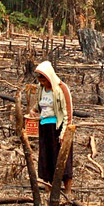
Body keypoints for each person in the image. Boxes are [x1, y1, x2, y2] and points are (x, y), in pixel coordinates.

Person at [32, 61, 74, 196]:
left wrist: (64, 133)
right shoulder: (41, 88)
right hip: (44, 127)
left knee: (62, 158)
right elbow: (41, 104)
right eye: (40, 80)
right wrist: (34, 110)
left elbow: (68, 112)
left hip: (58, 127)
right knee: (46, 157)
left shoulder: (61, 88)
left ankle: (67, 190)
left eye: (44, 80)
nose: (43, 83)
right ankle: (48, 188)